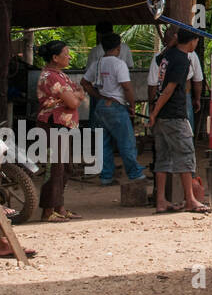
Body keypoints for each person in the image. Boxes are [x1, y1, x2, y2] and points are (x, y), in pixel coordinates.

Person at [148, 30, 210, 213]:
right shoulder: (183, 59)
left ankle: (161, 201)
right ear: (193, 41)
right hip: (174, 113)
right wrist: (155, 112)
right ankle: (190, 199)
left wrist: (154, 112)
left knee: (163, 157)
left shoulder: (166, 55)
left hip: (162, 116)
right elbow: (168, 90)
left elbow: (160, 82)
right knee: (186, 154)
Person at [81, 32, 146, 187]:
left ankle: (106, 176)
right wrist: (131, 105)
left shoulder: (97, 63)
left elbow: (85, 82)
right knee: (126, 142)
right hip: (116, 106)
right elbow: (127, 88)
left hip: (101, 106)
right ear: (118, 48)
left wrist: (97, 96)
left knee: (103, 144)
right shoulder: (119, 64)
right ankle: (135, 174)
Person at [34, 39, 85, 222]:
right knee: (54, 168)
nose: (69, 57)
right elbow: (74, 100)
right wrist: (75, 97)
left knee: (66, 167)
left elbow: (79, 94)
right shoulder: (51, 77)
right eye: (65, 54)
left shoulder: (60, 75)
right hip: (53, 125)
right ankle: (48, 211)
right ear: (55, 58)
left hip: (64, 126)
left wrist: (75, 96)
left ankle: (59, 207)